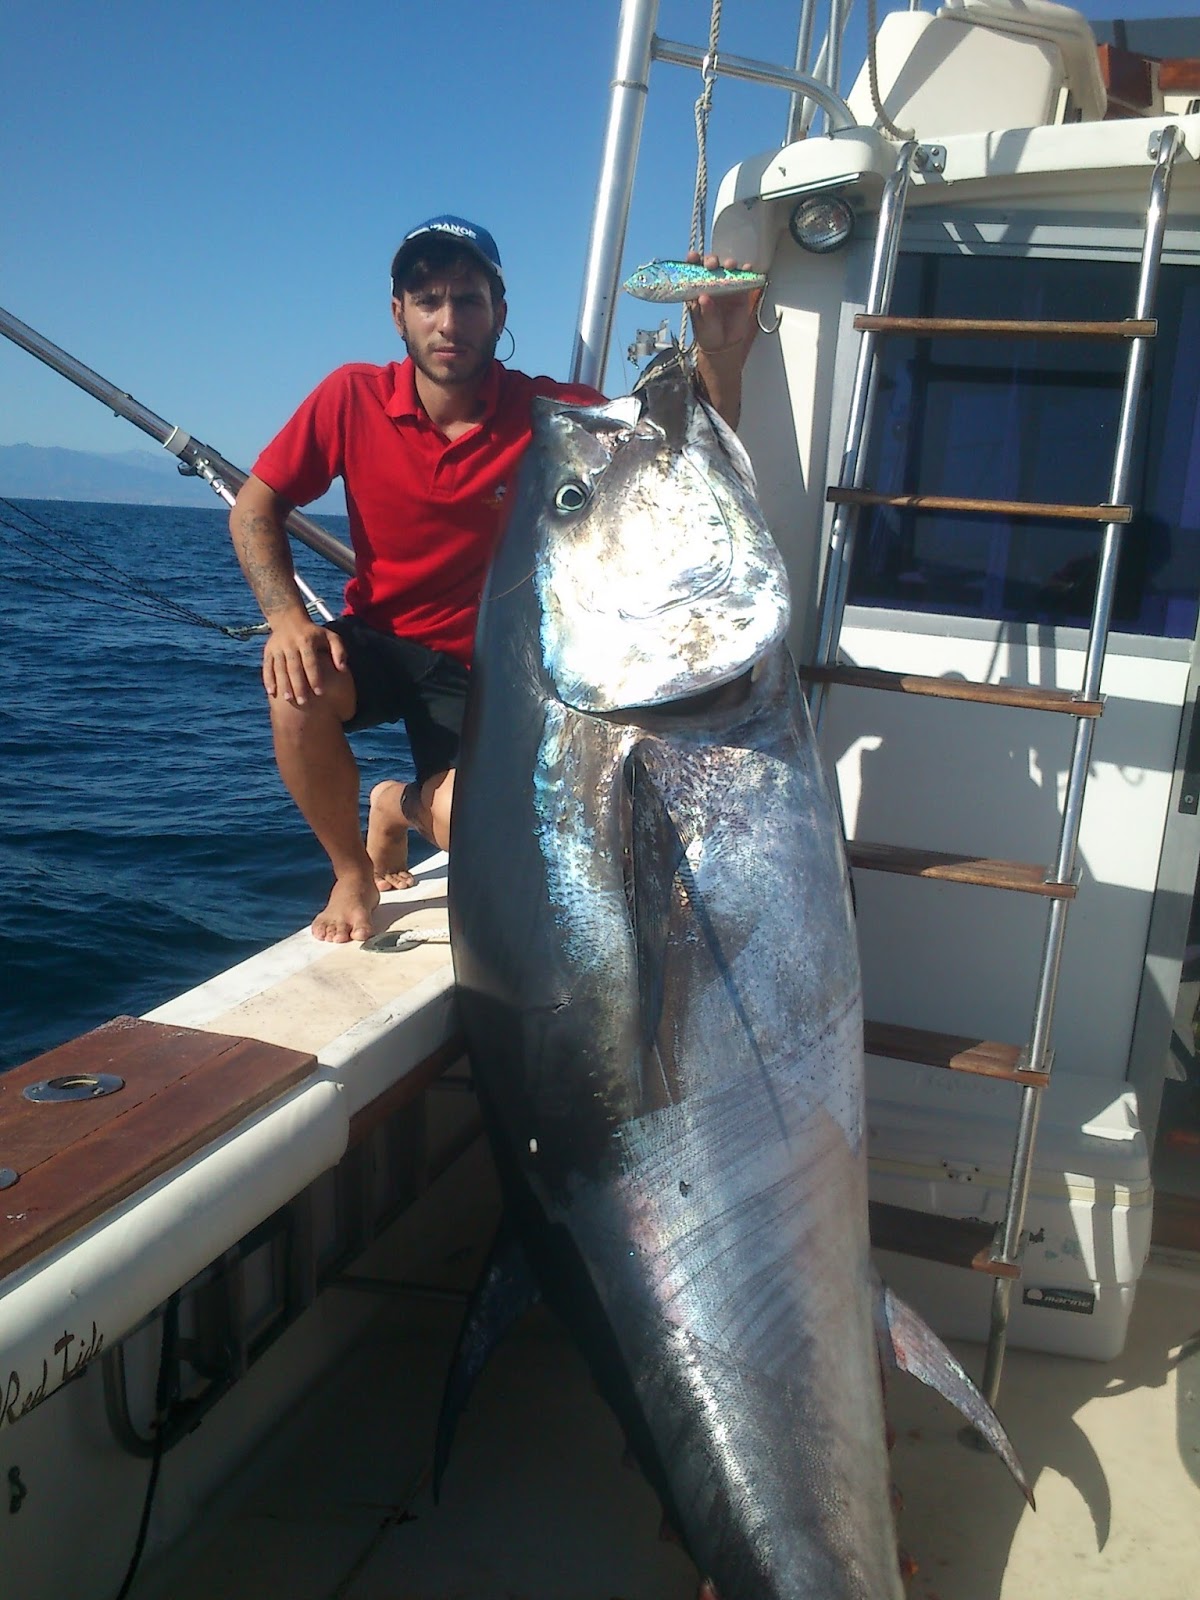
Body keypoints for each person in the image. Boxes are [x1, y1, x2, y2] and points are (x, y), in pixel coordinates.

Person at [229, 215, 758, 943]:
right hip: (380, 640)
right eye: (428, 300)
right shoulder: (349, 397)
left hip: (494, 667)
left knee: (472, 830)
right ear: (398, 315)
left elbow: (681, 452)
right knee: (293, 689)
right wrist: (288, 618)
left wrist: (723, 358)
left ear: (499, 314)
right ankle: (351, 874)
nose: (449, 321)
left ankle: (397, 803)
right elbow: (256, 507)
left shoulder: (551, 415)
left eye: (470, 300)